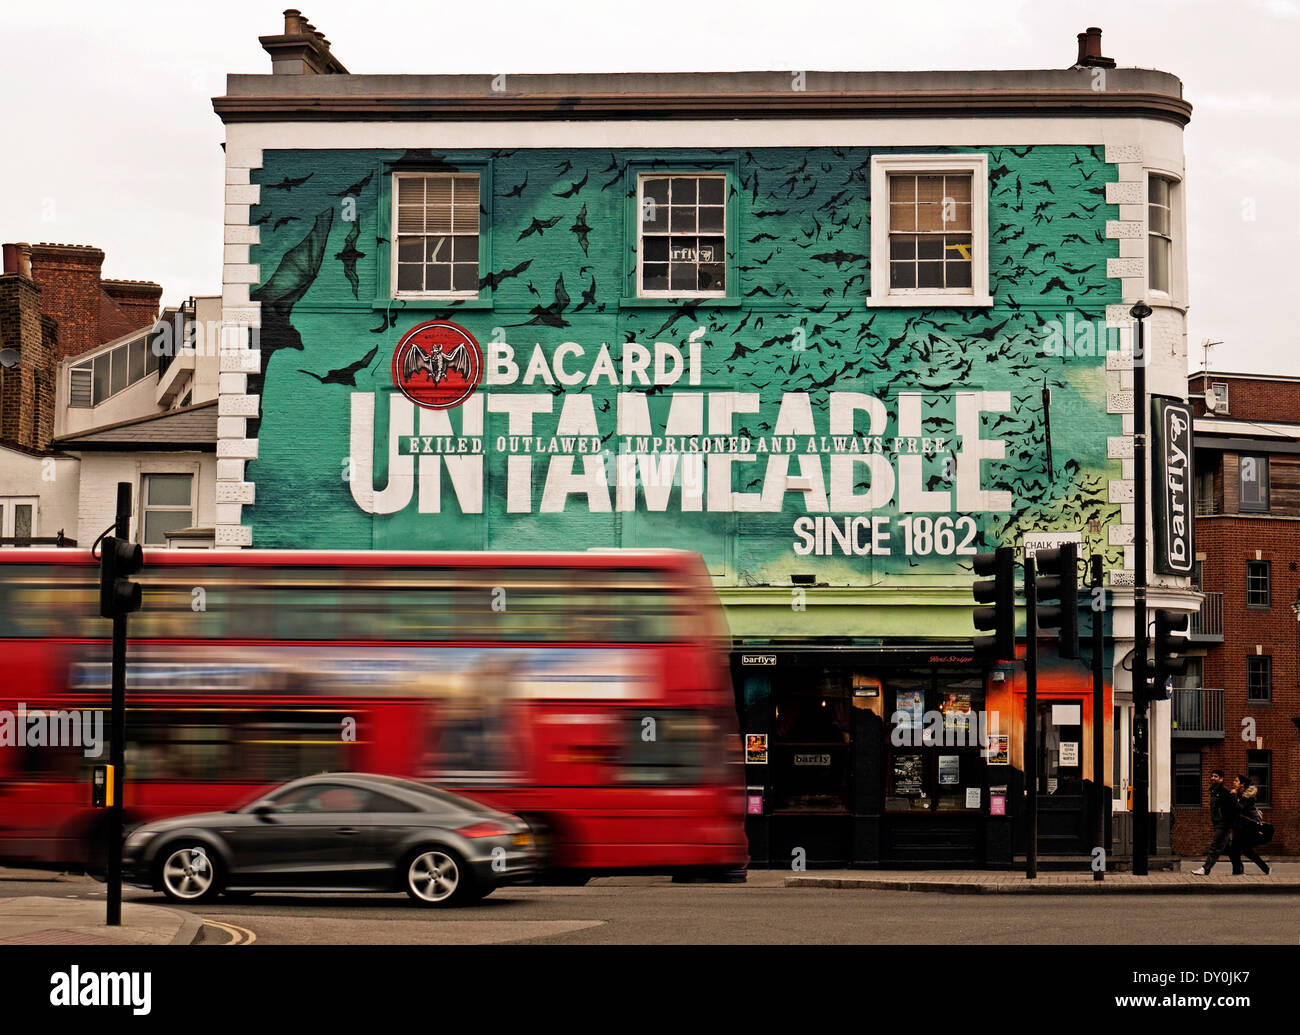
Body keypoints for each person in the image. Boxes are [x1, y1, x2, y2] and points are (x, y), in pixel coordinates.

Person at [1191, 769, 1236, 875]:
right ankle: (1239, 869)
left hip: (1223, 824)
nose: (1213, 778)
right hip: (1217, 823)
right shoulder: (1213, 791)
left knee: (1214, 846)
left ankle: (1205, 869)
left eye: (1216, 776)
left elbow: (1231, 809)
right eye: (1212, 776)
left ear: (1221, 779)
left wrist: (1229, 824)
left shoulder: (1225, 792)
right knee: (1228, 849)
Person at [1227, 775, 1271, 875]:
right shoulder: (1240, 794)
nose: (1233, 782)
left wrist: (1233, 796)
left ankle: (1237, 871)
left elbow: (1239, 808)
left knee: (1234, 849)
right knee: (1245, 850)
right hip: (1241, 825)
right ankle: (1265, 869)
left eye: (1236, 781)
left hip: (1248, 826)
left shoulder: (1247, 796)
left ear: (1242, 784)